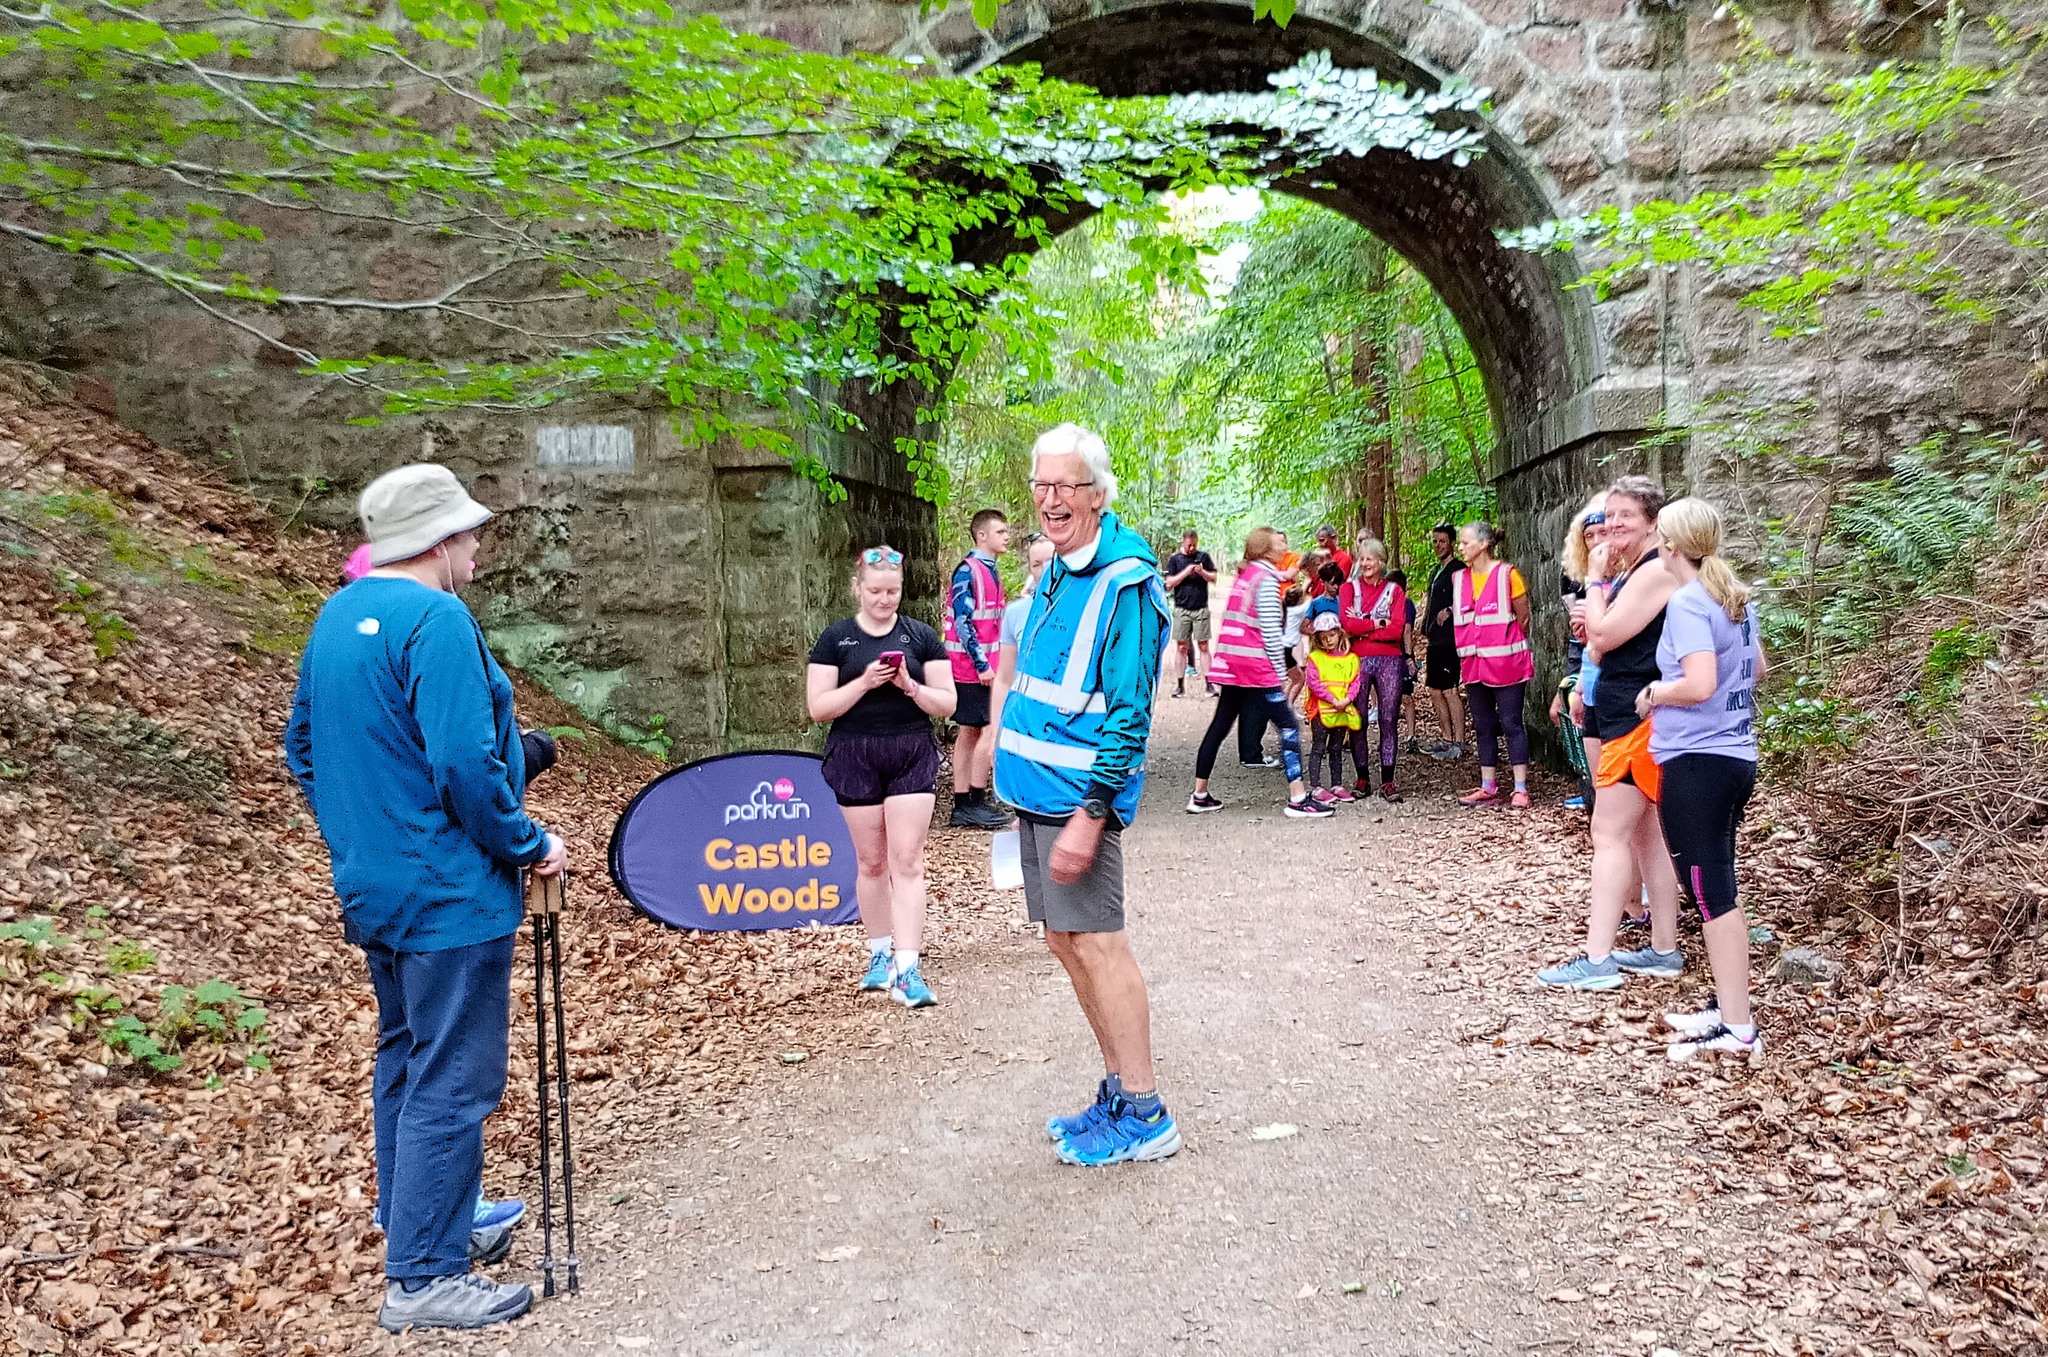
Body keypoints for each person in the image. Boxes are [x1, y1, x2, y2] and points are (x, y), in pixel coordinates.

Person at [284, 463, 564, 1333]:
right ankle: (424, 1273)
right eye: (470, 533)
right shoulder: (437, 619)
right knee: (453, 1073)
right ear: (439, 541)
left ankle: (422, 1216)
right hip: (448, 893)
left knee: (406, 1053)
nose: (477, 546)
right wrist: (530, 842)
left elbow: (305, 747)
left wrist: (364, 829)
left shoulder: (339, 615)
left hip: (377, 886)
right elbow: (462, 766)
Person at [993, 423, 1180, 1166]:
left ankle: (1147, 1112)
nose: (1051, 499)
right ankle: (1118, 1091)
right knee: (1064, 940)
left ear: (1098, 495)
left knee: (1100, 944)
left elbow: (1131, 711)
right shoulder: (1060, 568)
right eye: (1041, 484)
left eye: (1066, 485)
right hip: (1036, 793)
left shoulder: (1124, 583)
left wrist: (1092, 813)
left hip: (1077, 798)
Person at [1538, 475, 1685, 990]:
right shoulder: (1642, 570)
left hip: (1637, 718)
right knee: (1647, 835)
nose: (1613, 524)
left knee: (1608, 832)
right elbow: (1600, 643)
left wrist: (1597, 581)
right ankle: (1663, 948)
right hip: (1629, 712)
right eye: (1609, 515)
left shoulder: (1654, 571)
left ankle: (1598, 960)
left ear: (1653, 522)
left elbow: (1602, 635)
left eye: (1626, 515)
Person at [1638, 498, 1766, 1059]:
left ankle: (1738, 1028)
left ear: (1669, 545)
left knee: (1710, 892)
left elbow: (1700, 683)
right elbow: (1757, 669)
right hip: (1734, 758)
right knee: (1716, 887)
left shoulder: (1690, 601)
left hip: (1697, 764)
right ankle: (1727, 1006)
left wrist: (1655, 692)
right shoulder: (1733, 596)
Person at [806, 546, 959, 1008]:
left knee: (907, 861)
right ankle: (879, 954)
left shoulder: (921, 637)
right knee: (871, 862)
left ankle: (908, 967)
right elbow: (818, 708)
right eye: (875, 591)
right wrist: (865, 682)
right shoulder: (836, 639)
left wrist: (909, 686)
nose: (884, 599)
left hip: (910, 749)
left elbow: (947, 702)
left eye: (892, 591)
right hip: (854, 752)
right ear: (858, 589)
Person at [1189, 527, 1333, 819]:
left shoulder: (1247, 576)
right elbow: (1270, 631)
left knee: (1220, 725)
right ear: (1266, 548)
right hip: (1256, 667)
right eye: (1279, 542)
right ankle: (1298, 798)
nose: (1284, 546)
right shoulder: (1266, 581)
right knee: (1289, 726)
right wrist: (1279, 672)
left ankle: (1199, 795)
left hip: (1233, 665)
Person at [1451, 522, 1535, 809]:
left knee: (1511, 723)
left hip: (1507, 664)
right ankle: (1488, 786)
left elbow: (1523, 616)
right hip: (1474, 665)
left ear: (1484, 544)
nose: (1460, 548)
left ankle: (1520, 788)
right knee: (1483, 725)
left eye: (1465, 543)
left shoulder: (1508, 575)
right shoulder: (1459, 579)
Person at [945, 509, 1012, 829]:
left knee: (972, 731)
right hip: (972, 669)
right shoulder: (968, 571)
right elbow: (963, 623)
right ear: (982, 536)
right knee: (985, 729)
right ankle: (972, 798)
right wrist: (982, 665)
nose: (1006, 536)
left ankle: (968, 801)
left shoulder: (988, 570)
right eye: (1000, 532)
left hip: (983, 667)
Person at [1339, 538, 1407, 802]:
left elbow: (1397, 630)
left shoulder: (1395, 591)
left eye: (1370, 558)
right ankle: (1362, 778)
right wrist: (1378, 623)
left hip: (1390, 659)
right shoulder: (1349, 588)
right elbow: (1346, 625)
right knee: (1358, 719)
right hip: (1357, 659)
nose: (1365, 563)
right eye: (1362, 558)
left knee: (1388, 718)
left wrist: (1363, 625)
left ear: (1381, 561)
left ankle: (1388, 780)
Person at [1551, 497, 1606, 811]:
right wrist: (1576, 683)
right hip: (1589, 666)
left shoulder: (1633, 578)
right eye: (1589, 535)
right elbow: (1580, 634)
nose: (1596, 541)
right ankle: (1590, 791)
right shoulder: (1573, 576)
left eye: (1602, 532)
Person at [990, 533, 1057, 733]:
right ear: (1030, 570)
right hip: (1024, 721)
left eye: (1051, 561)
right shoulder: (1015, 613)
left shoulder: (1085, 606)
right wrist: (995, 731)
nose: (1045, 570)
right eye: (1037, 564)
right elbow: (1004, 678)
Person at [1301, 612, 1363, 804]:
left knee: (1336, 748)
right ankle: (1316, 786)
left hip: (1341, 711)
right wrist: (1333, 700)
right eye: (1324, 637)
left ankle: (1337, 784)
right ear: (1318, 639)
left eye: (1332, 635)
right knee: (1318, 747)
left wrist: (1347, 699)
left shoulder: (1351, 659)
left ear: (1339, 634)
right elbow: (1314, 683)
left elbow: (1355, 682)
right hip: (1320, 711)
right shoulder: (1315, 658)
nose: (1328, 640)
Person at [1421, 522, 1468, 759]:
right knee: (1434, 689)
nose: (1438, 546)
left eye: (1442, 541)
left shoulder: (1459, 570)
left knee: (1450, 689)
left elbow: (1469, 598)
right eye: (1435, 541)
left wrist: (1449, 610)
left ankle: (1459, 741)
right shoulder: (1435, 572)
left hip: (1451, 638)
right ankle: (1446, 738)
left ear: (1451, 543)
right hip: (1434, 638)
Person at [1163, 529, 1218, 698]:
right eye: (1189, 545)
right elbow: (1168, 584)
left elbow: (1214, 578)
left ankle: (1209, 685)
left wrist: (1202, 572)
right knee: (1181, 647)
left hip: (1201, 608)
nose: (1192, 548)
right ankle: (1180, 686)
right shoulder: (1175, 560)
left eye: (1194, 545)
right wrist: (1187, 572)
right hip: (1182, 609)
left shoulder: (1204, 557)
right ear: (1183, 542)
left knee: (1203, 646)